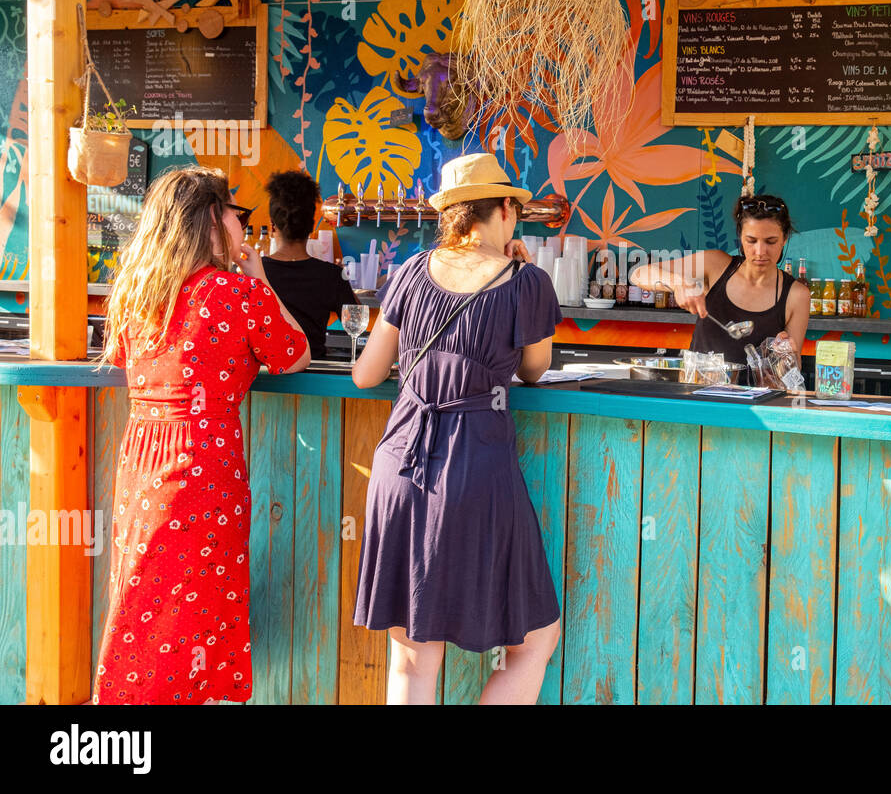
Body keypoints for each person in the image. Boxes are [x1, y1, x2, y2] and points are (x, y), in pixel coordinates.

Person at [350, 152, 563, 705]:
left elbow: (366, 373)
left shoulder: (411, 270)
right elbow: (534, 368)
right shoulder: (526, 281)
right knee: (537, 640)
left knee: (413, 661)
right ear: (506, 211)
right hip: (475, 469)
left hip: (399, 465)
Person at [93, 165, 310, 704]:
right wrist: (259, 279)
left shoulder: (138, 293)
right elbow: (296, 353)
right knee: (199, 607)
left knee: (144, 597)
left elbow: (123, 356)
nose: (244, 227)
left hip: (141, 465)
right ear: (213, 219)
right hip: (203, 464)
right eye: (237, 215)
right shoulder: (239, 294)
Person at [630, 194, 811, 371]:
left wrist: (787, 357)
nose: (760, 251)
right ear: (740, 237)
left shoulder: (797, 295)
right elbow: (639, 274)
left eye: (771, 242)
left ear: (784, 239)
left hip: (757, 398)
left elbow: (792, 371)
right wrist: (678, 283)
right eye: (751, 241)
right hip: (699, 393)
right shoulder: (715, 265)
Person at [259, 169, 358, 361]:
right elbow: (355, 324)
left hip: (264, 378)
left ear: (272, 225)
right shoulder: (331, 276)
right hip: (314, 375)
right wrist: (343, 279)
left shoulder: (254, 274)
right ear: (312, 225)